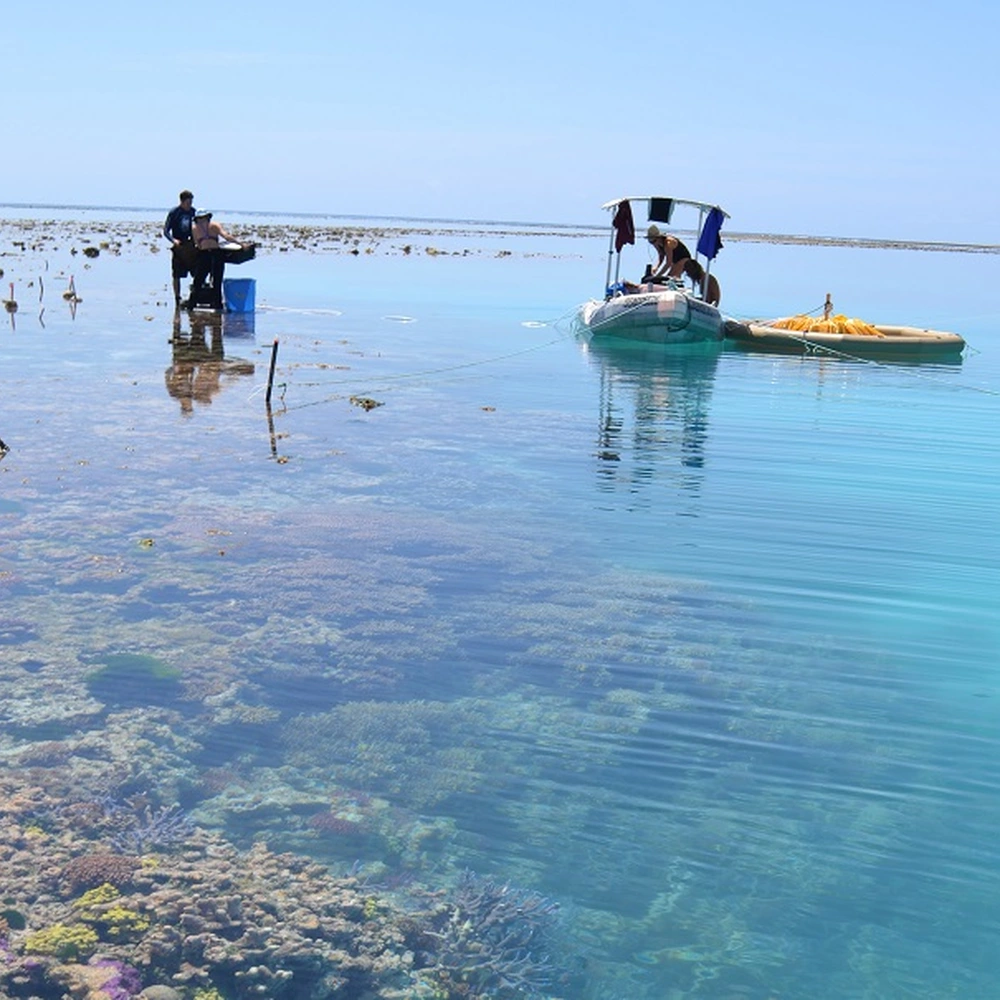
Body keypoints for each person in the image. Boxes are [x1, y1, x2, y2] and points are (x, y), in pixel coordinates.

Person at [188, 210, 240, 310]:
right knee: (203, 281)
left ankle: (199, 305)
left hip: (210, 254)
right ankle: (199, 305)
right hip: (211, 254)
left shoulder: (197, 228)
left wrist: (239, 244)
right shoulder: (211, 226)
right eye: (200, 219)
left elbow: (197, 244)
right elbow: (226, 236)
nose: (202, 222)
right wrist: (240, 244)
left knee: (207, 281)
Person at [163, 190, 197, 304]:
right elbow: (166, 231)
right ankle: (177, 297)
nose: (190, 205)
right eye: (188, 202)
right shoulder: (174, 212)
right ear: (182, 201)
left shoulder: (193, 212)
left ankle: (196, 294)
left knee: (197, 271)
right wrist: (173, 240)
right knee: (176, 273)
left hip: (192, 246)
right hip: (179, 246)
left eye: (191, 202)